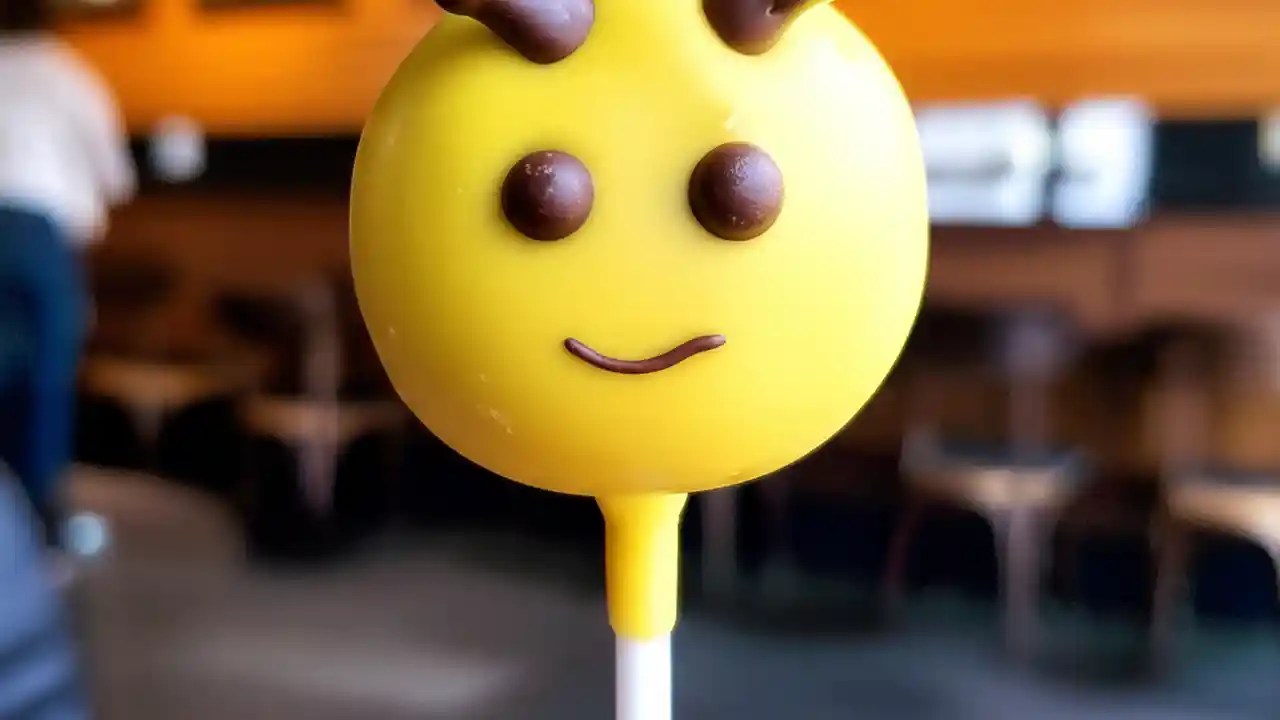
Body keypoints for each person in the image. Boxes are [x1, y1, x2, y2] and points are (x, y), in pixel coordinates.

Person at [0, 0, 136, 544]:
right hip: (36, 235)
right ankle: (40, 532)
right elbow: (115, 176)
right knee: (45, 382)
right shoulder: (67, 73)